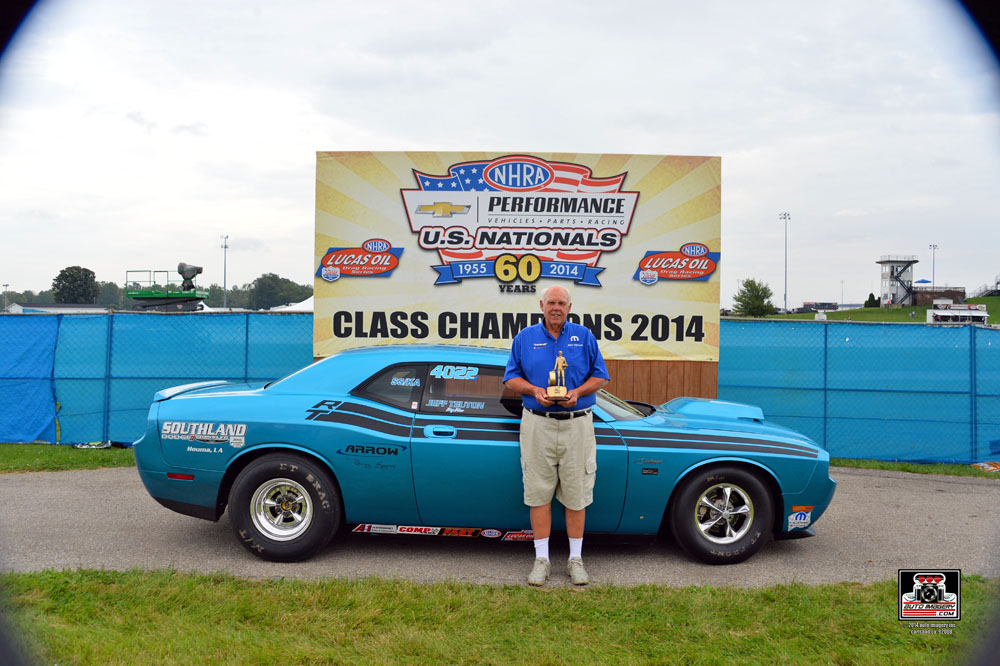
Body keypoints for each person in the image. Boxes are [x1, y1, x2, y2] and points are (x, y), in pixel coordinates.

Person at [503, 285, 610, 586]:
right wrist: (535, 390)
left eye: (561, 303)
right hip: (538, 422)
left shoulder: (584, 336)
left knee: (576, 495)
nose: (556, 307)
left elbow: (601, 376)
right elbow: (510, 378)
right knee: (538, 493)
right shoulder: (525, 338)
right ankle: (542, 560)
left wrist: (577, 392)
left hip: (577, 424)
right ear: (541, 305)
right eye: (551, 302)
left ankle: (575, 560)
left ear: (569, 306)